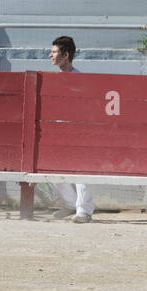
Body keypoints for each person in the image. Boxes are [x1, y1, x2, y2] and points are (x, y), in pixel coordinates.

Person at [48, 35, 94, 222]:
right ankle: (70, 204)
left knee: (81, 168)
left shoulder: (78, 79)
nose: (50, 56)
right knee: (50, 168)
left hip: (77, 131)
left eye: (54, 52)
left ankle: (84, 209)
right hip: (59, 130)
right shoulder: (53, 79)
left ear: (66, 55)